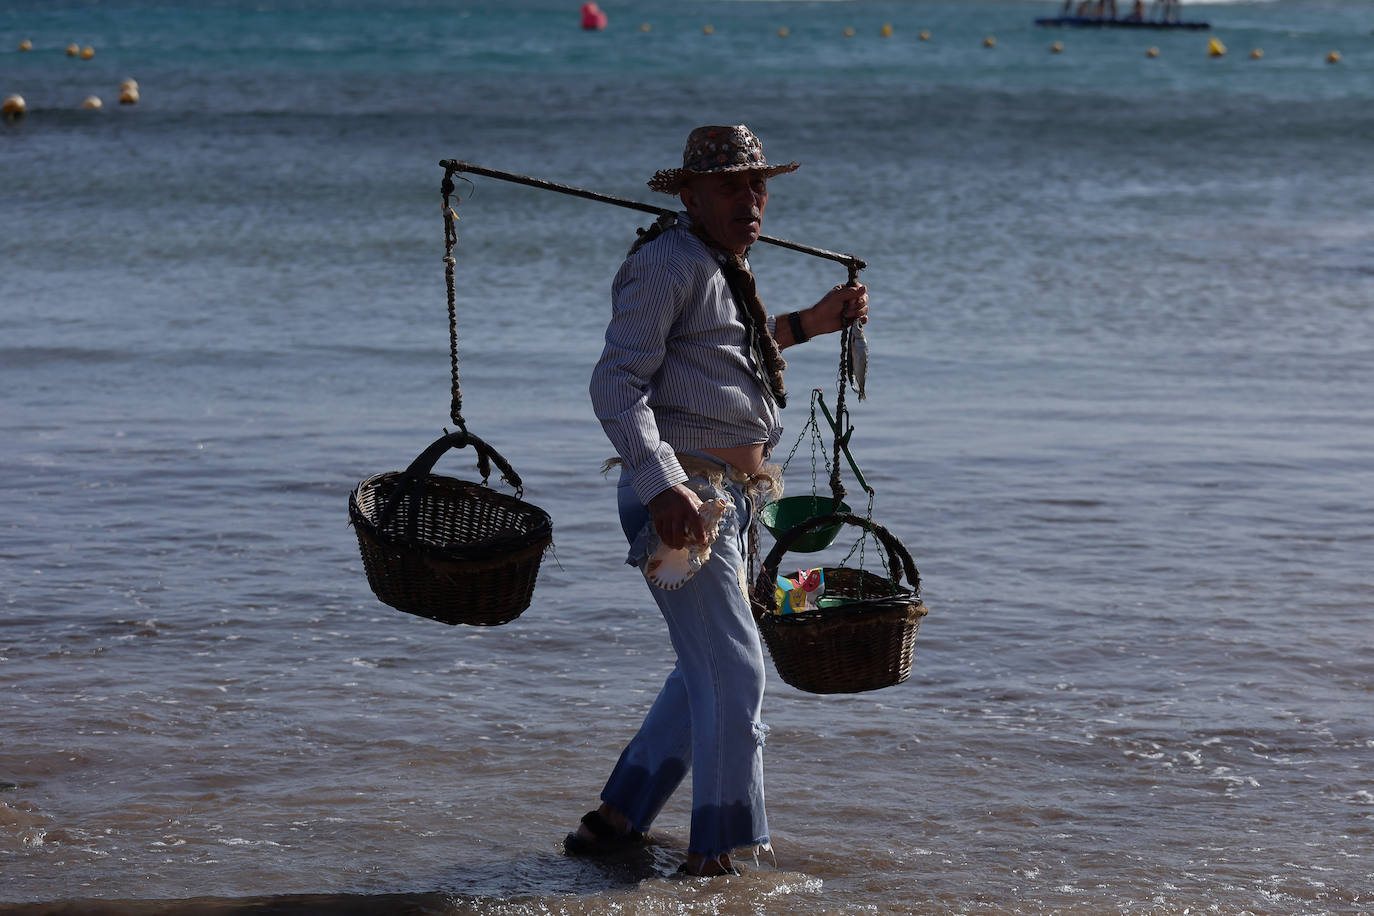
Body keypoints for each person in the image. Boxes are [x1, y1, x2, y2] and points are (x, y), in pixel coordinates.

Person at [570, 125, 869, 877]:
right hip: (686, 499)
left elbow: (727, 353)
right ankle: (718, 855)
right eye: (732, 186)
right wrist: (662, 484)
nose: (751, 199)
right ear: (691, 195)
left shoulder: (719, 264)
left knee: (704, 667)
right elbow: (617, 384)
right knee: (736, 673)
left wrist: (814, 322)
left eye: (758, 185)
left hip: (728, 498)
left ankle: (618, 817)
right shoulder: (668, 261)